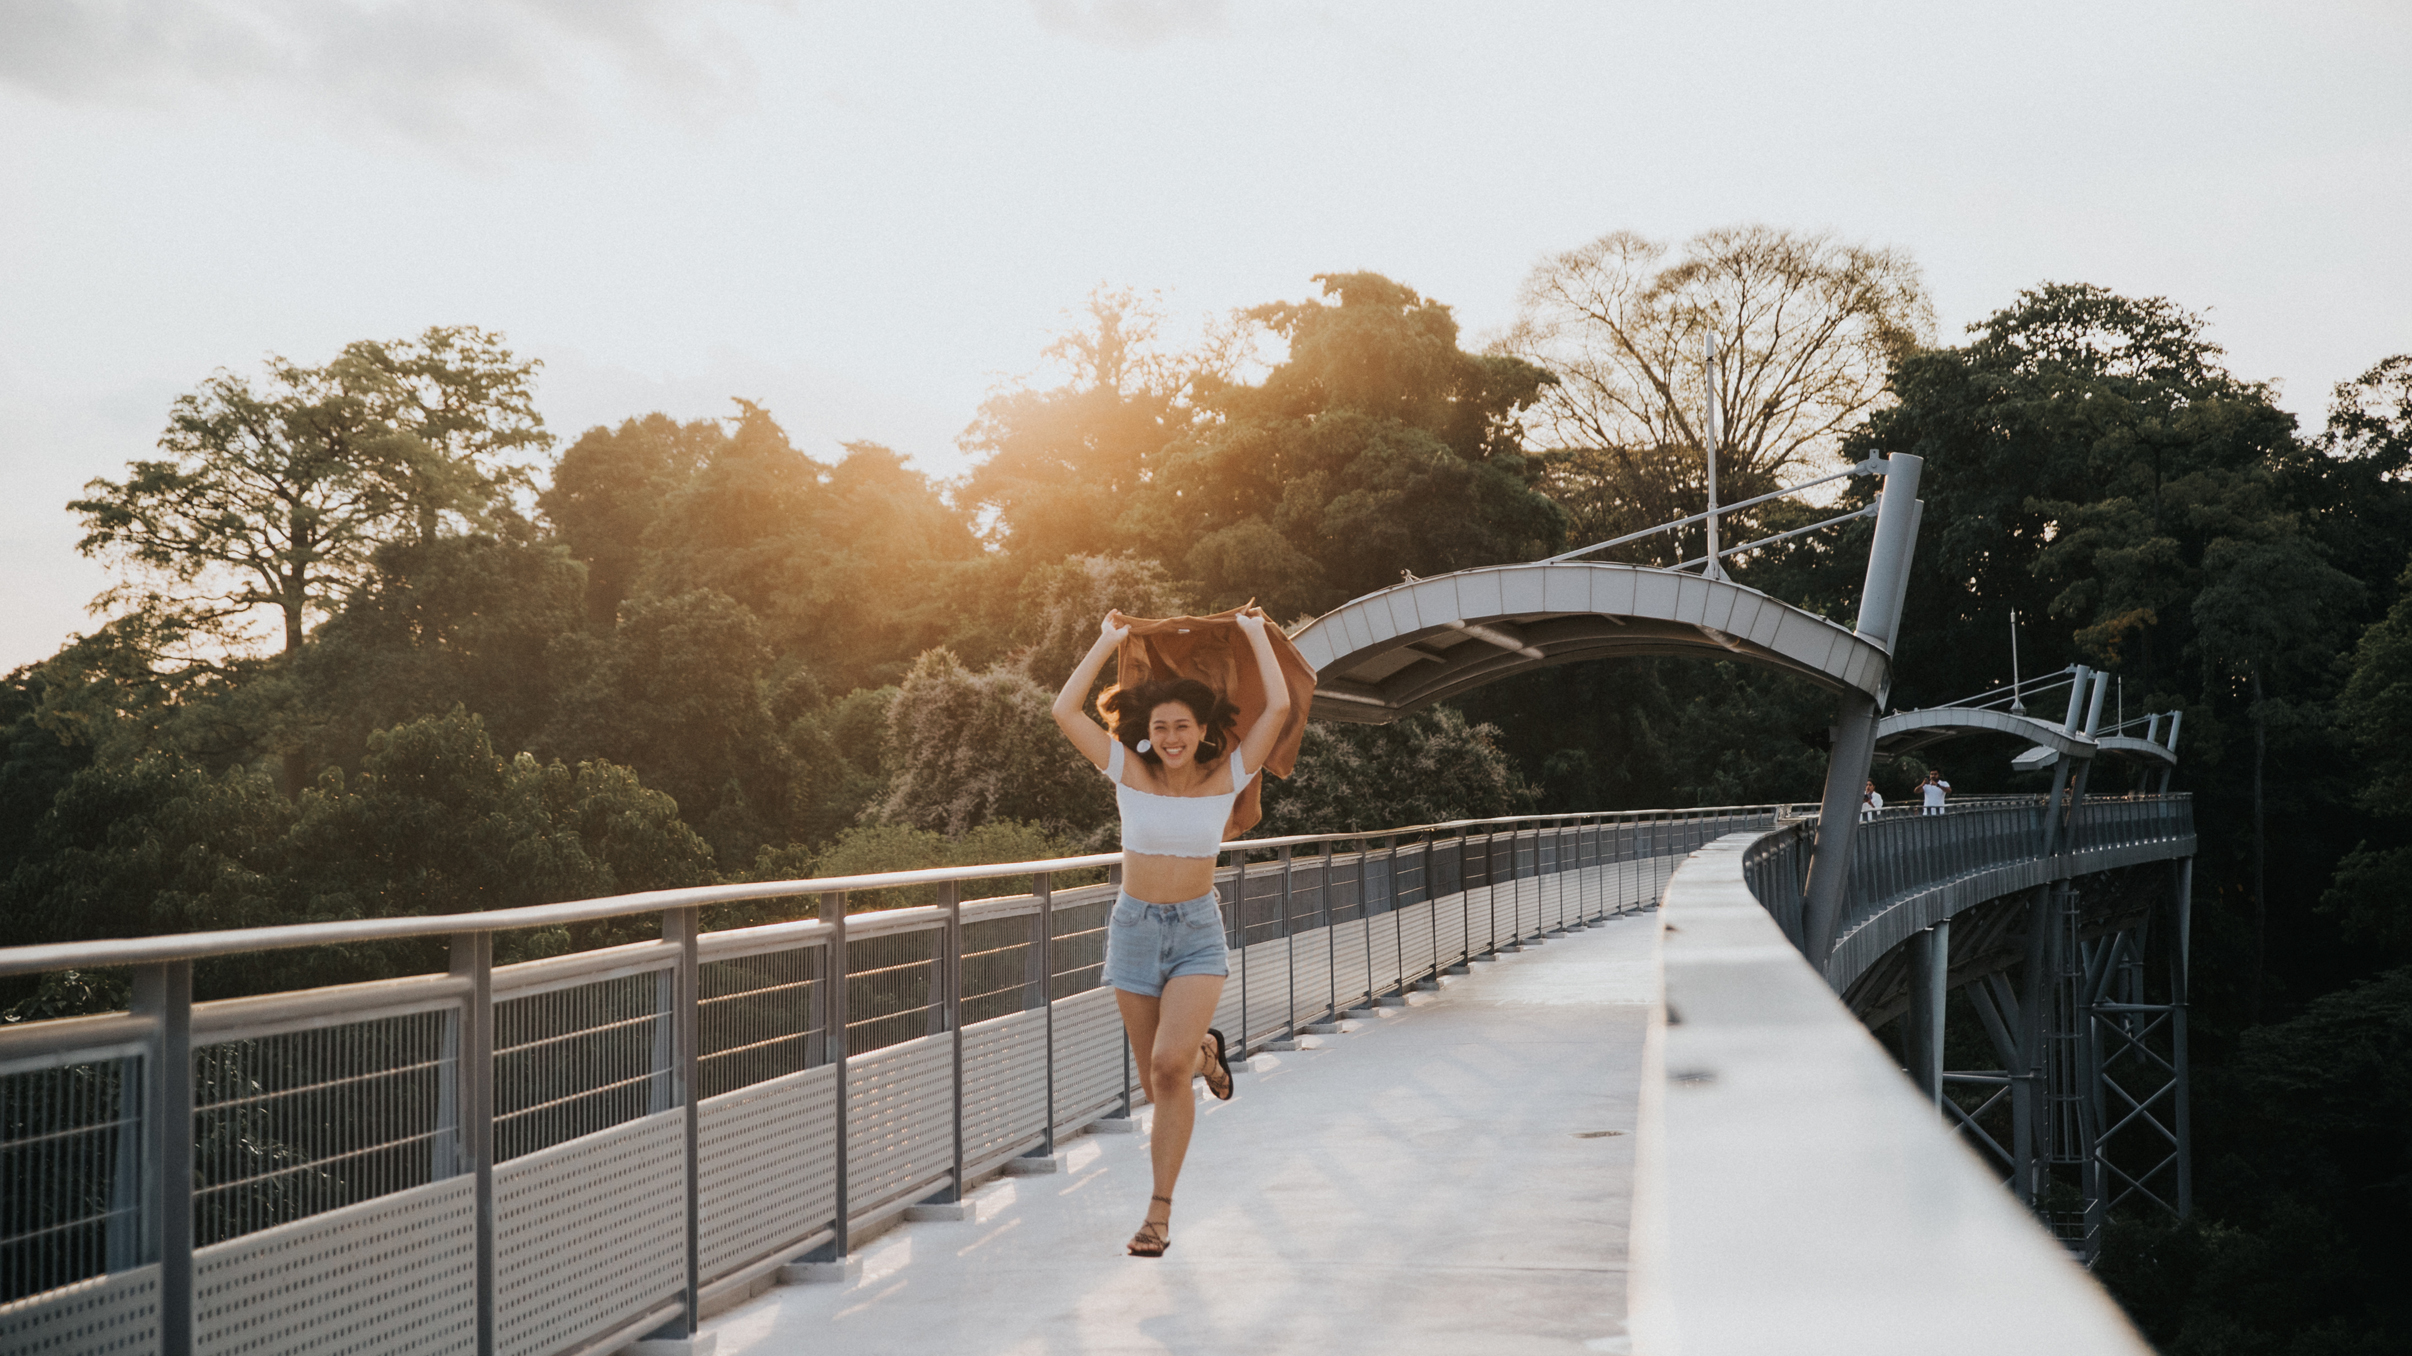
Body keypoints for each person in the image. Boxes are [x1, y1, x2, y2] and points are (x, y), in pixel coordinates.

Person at [1051, 605, 1292, 1258]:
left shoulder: (1224, 777)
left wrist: (1249, 634)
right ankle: (1207, 1055)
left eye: (1182, 726)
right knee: (1158, 1080)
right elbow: (1064, 712)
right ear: (1146, 734)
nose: (1171, 737)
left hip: (1195, 933)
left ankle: (1158, 1214)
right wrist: (1105, 639)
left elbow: (1273, 709)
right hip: (1133, 930)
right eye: (1159, 728)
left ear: (1201, 728)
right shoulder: (1130, 773)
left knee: (1165, 1064)